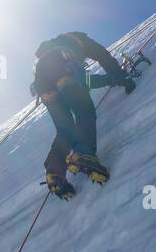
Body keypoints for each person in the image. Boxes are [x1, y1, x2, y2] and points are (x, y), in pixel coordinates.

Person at [29, 32, 135, 200]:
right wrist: (120, 78)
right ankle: (84, 153)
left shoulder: (48, 52)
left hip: (41, 82)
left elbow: (83, 80)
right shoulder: (81, 42)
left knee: (65, 129)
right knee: (83, 110)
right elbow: (101, 60)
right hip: (59, 65)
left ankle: (55, 172)